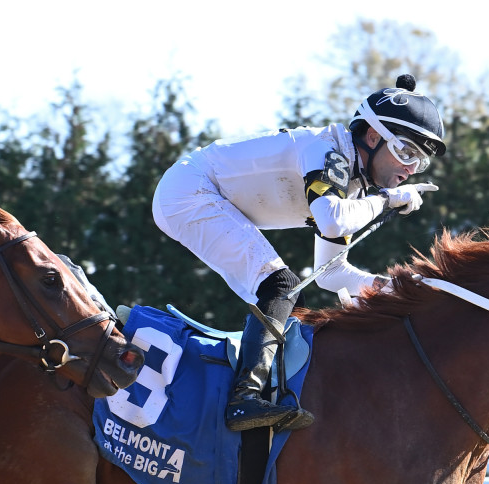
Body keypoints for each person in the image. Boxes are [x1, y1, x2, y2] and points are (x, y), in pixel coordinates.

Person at [152, 73, 446, 432]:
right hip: (188, 190)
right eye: (406, 152)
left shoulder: (351, 188)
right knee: (281, 285)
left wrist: (392, 287)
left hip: (196, 191)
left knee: (289, 293)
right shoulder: (327, 150)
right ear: (372, 136)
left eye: (420, 162)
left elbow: (331, 273)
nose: (411, 169)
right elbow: (333, 220)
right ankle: (244, 399)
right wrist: (387, 200)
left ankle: (259, 394)